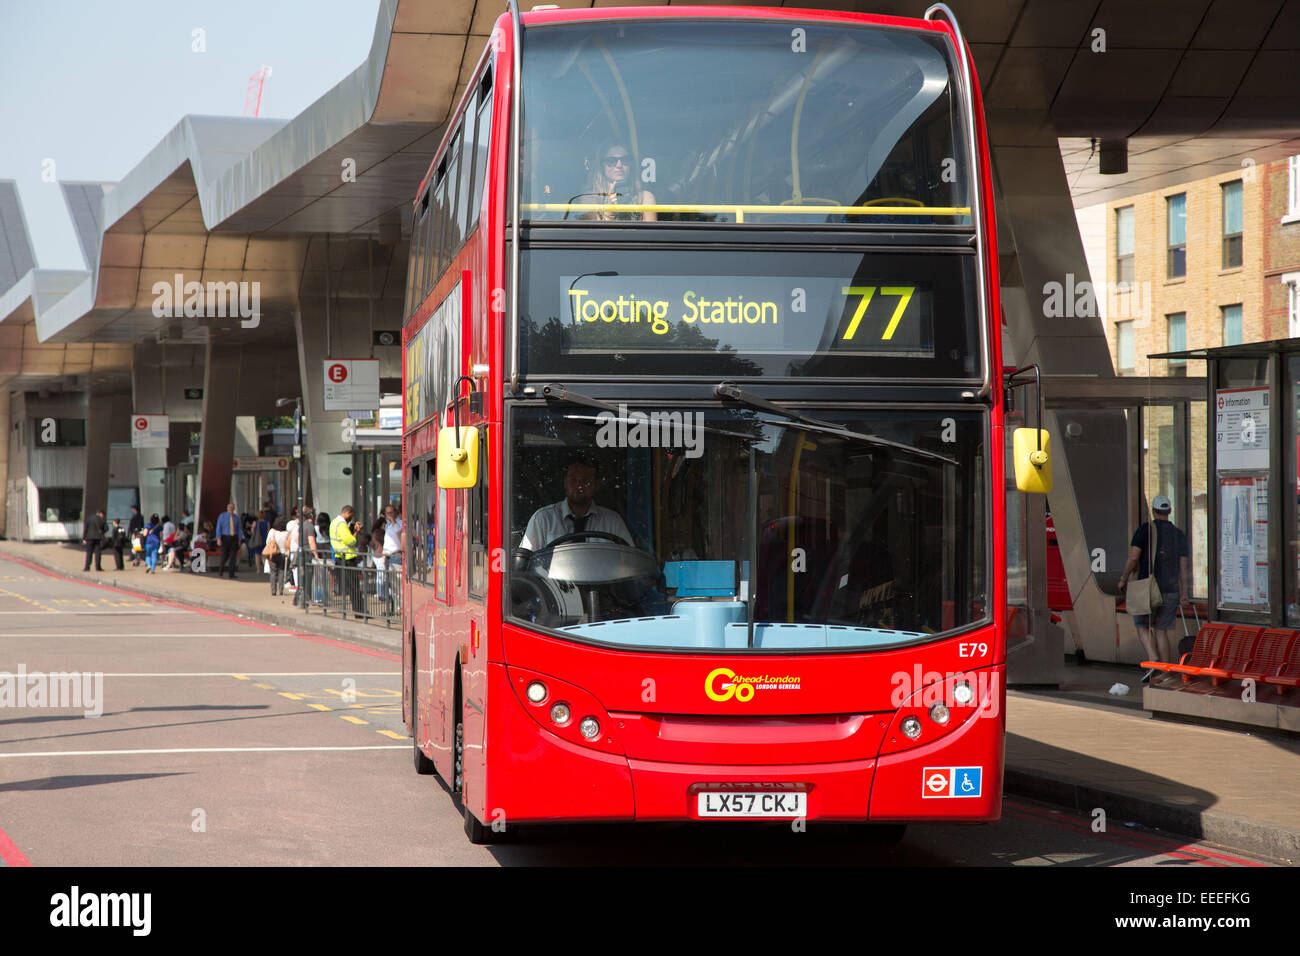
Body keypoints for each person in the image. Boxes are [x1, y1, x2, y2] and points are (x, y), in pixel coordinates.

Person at [1119, 495, 1190, 682]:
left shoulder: (1145, 530)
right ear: (1170, 511)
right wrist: (1184, 592)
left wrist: (1123, 578)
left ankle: (1153, 658)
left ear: (1153, 510)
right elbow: (1184, 566)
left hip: (1148, 589)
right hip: (1171, 589)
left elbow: (1134, 557)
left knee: (1142, 625)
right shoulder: (1179, 534)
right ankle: (1166, 672)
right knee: (1161, 630)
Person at [519, 456, 633, 554]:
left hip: (602, 580)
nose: (579, 486)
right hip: (551, 581)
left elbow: (630, 562)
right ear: (565, 482)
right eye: (573, 480)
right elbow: (525, 564)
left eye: (586, 481)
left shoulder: (613, 522)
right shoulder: (542, 519)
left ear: (597, 485)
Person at [581, 143, 656, 221]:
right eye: (611, 160)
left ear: (631, 165)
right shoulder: (590, 197)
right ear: (602, 165)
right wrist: (609, 211)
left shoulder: (644, 197)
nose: (619, 165)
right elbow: (593, 231)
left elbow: (650, 232)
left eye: (625, 160)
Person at [215, 503, 243, 579]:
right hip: (225, 537)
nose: (231, 509)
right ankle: (221, 569)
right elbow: (219, 527)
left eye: (232, 508)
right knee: (224, 555)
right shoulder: (222, 516)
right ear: (227, 508)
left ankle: (231, 573)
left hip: (234, 537)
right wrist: (219, 538)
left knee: (233, 556)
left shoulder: (236, 517)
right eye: (230, 507)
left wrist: (239, 539)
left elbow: (239, 529)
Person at [265, 517, 290, 596]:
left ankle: (273, 590)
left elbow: (267, 542)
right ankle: (281, 590)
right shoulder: (287, 533)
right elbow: (288, 544)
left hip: (273, 553)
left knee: (273, 572)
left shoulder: (272, 532)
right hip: (283, 553)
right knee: (281, 571)